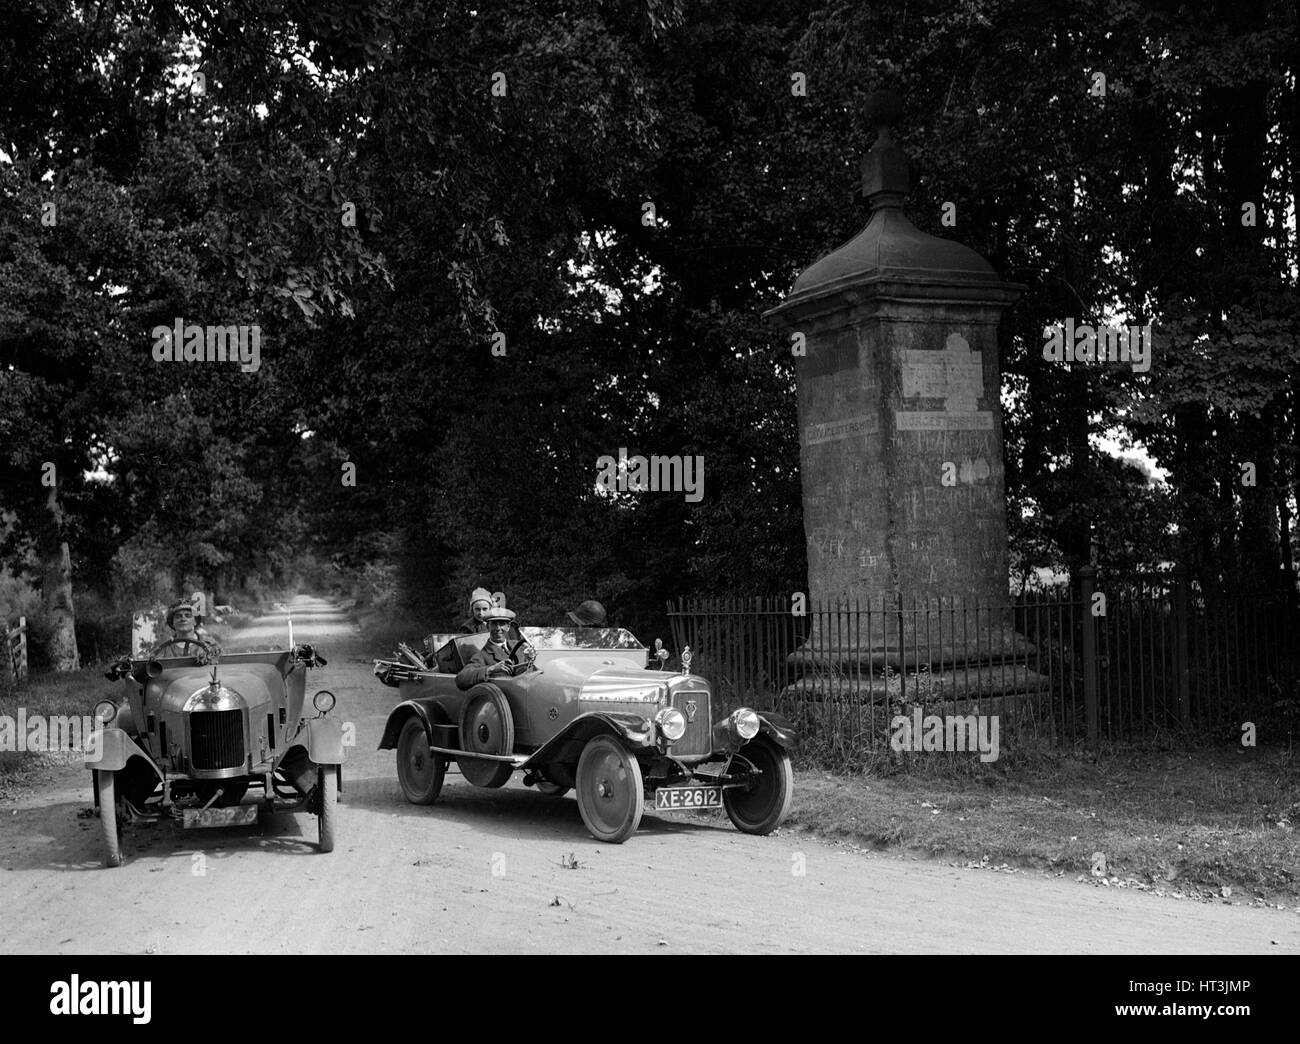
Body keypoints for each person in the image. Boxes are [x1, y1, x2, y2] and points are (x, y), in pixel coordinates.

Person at [456, 607, 531, 689]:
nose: (498, 628)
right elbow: (461, 679)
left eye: (502, 624)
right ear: (488, 626)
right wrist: (492, 668)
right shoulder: (481, 656)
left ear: (508, 627)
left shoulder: (521, 646)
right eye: (494, 624)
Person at [151, 600, 220, 658]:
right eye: (178, 616)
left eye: (188, 616)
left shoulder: (211, 646)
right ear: (172, 623)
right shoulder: (163, 650)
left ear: (195, 621)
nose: (183, 619)